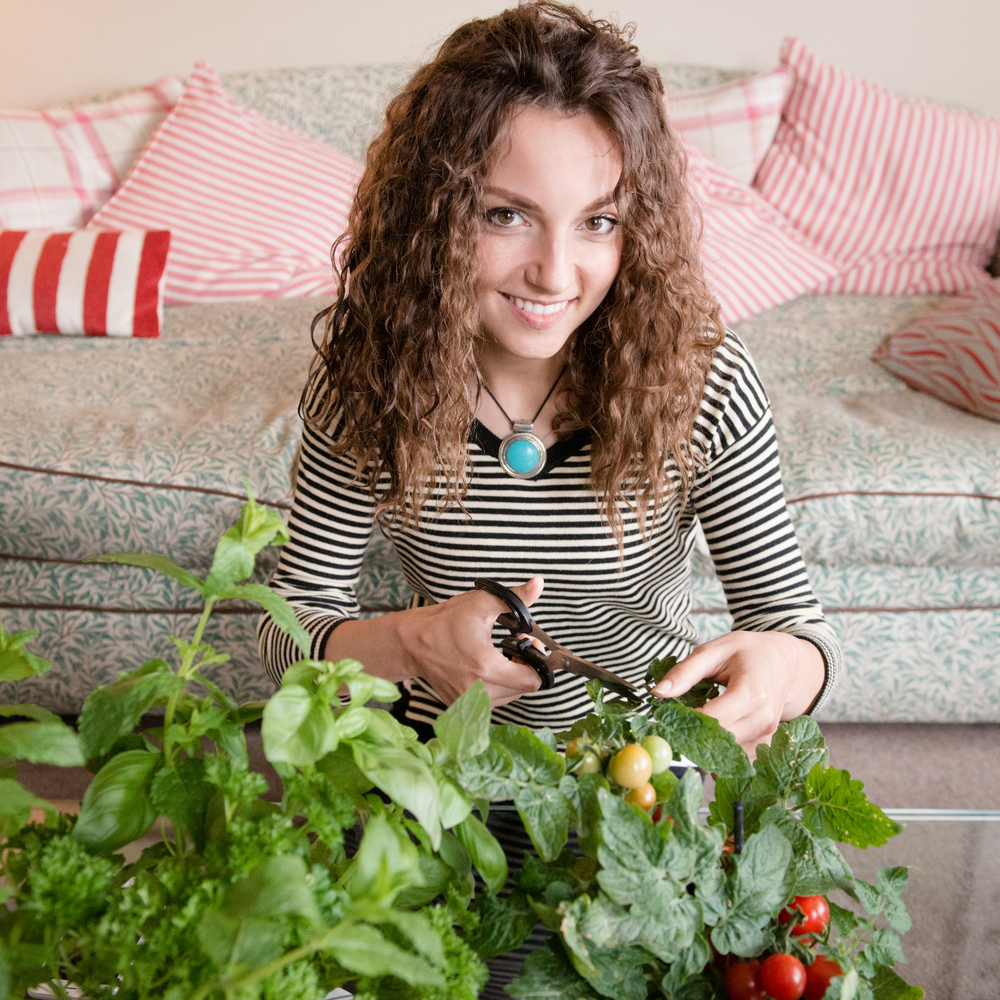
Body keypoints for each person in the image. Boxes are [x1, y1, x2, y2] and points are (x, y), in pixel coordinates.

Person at [258, 2, 840, 989]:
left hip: (641, 819)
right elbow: (279, 630)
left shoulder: (704, 381)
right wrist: (405, 640)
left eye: (599, 223)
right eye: (505, 214)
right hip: (436, 810)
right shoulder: (369, 379)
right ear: (432, 215)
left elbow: (797, 629)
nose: (555, 274)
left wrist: (780, 673)